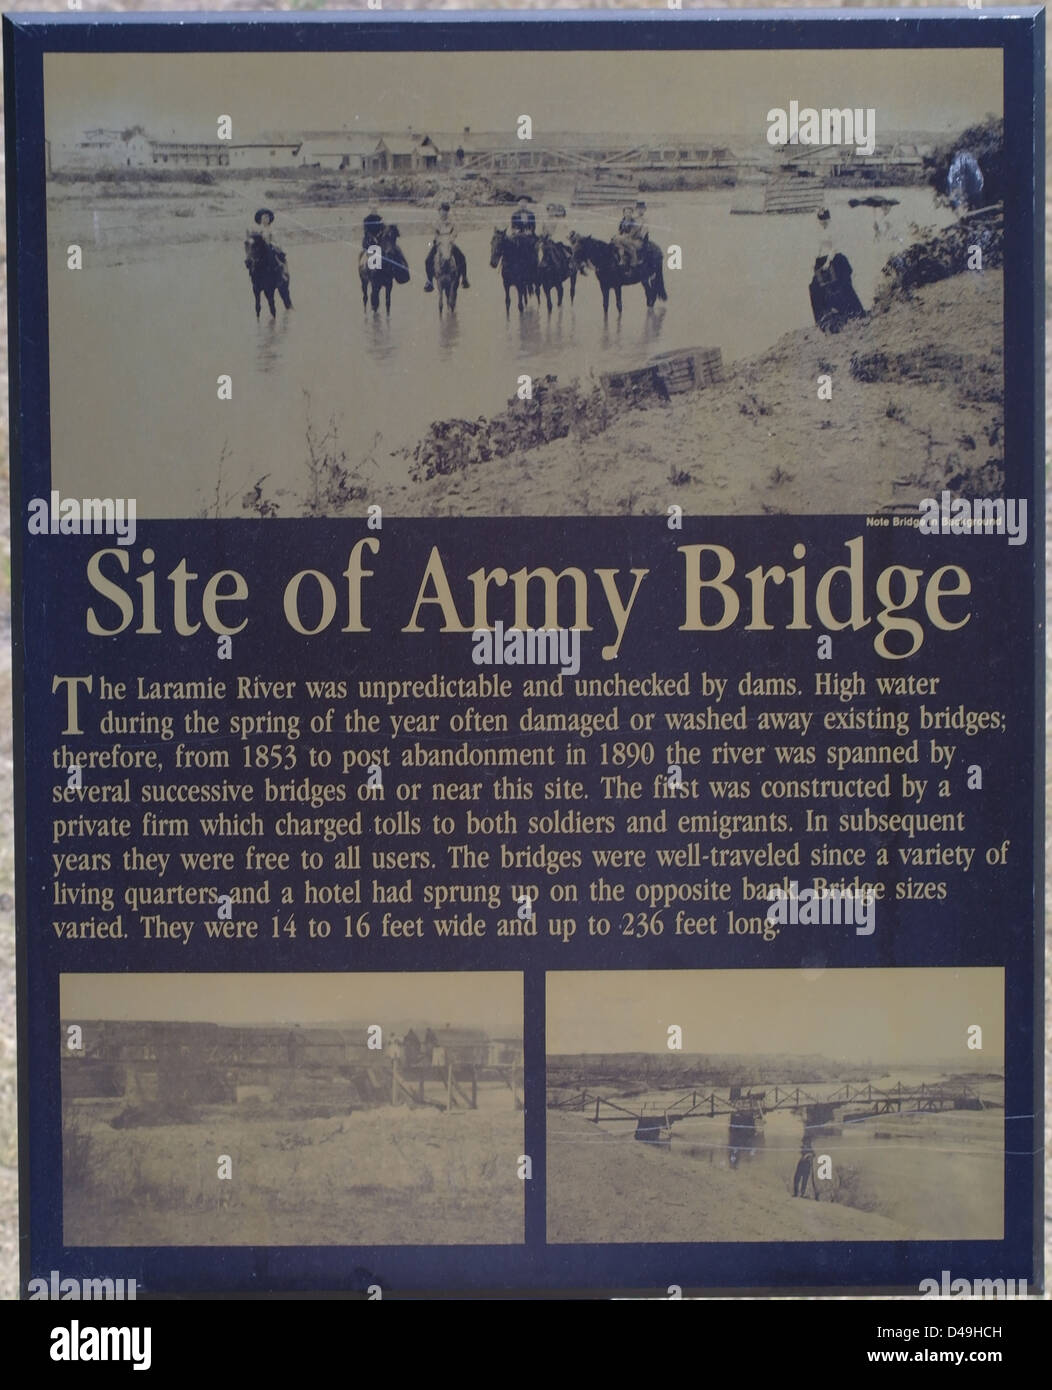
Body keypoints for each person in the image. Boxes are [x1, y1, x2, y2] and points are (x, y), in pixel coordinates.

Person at [424, 202, 469, 292]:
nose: (443, 213)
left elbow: (455, 231)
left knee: (462, 257)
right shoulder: (436, 222)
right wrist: (438, 240)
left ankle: (464, 279)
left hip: (449, 243)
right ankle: (429, 282)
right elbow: (435, 233)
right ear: (439, 211)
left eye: (445, 211)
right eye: (442, 211)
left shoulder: (451, 222)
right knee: (428, 260)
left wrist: (451, 239)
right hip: (439, 244)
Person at [613, 200, 649, 273]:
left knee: (624, 242)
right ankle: (621, 259)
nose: (640, 210)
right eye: (638, 208)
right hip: (630, 238)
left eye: (642, 208)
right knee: (616, 240)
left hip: (638, 240)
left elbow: (642, 234)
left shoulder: (645, 220)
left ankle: (633, 263)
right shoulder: (634, 219)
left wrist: (628, 236)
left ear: (645, 209)